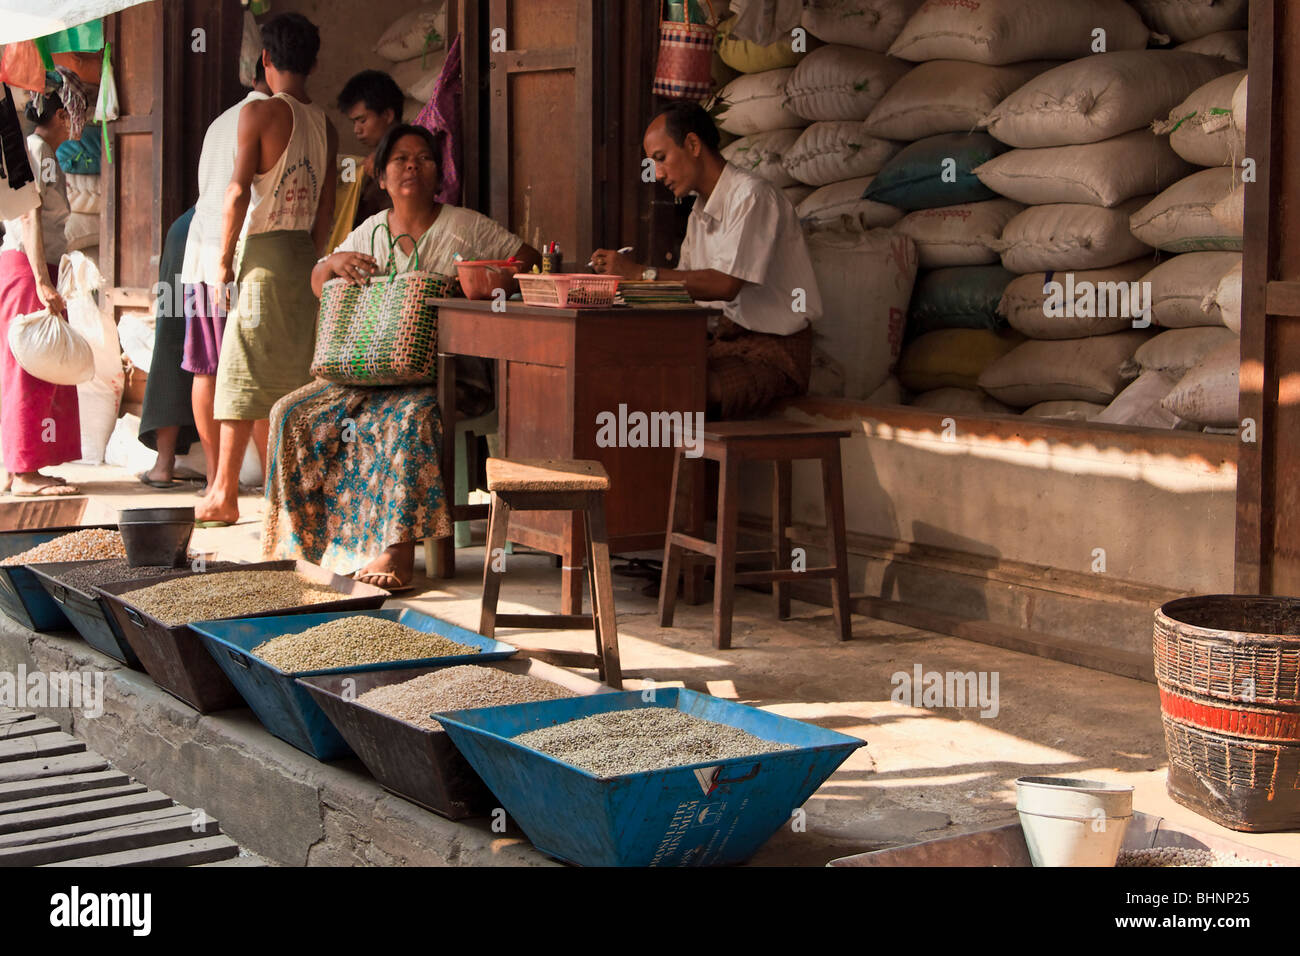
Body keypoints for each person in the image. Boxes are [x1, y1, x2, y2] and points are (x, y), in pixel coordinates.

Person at [263, 124, 541, 590]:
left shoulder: (465, 226)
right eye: (400, 160)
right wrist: (331, 265)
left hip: (447, 376)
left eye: (424, 158)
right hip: (365, 377)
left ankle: (397, 551)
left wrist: (483, 284)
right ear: (383, 177)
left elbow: (531, 262)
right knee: (289, 413)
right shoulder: (369, 231)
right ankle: (303, 547)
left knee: (407, 418)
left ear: (439, 174)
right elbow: (318, 281)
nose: (412, 166)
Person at [591, 100, 823, 420]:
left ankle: (676, 471)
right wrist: (619, 289)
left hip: (774, 356)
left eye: (661, 159)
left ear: (692, 144)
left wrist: (640, 273)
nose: (658, 174)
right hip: (724, 346)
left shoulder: (752, 196)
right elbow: (682, 292)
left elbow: (724, 284)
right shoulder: (699, 213)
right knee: (626, 373)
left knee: (675, 390)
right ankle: (653, 470)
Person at [198, 12, 338, 527]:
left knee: (240, 374)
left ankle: (223, 494)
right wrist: (312, 256)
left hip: (261, 259)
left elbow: (236, 191)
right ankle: (291, 496)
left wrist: (222, 262)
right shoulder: (326, 124)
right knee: (292, 380)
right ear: (314, 63)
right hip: (304, 258)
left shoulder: (259, 114)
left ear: (266, 58)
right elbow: (326, 207)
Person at [176, 58, 271, 493]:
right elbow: (241, 194)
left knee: (206, 368)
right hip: (235, 258)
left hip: (201, 254)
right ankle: (271, 483)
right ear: (268, 71)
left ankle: (217, 480)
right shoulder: (270, 118)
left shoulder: (217, 124)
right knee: (254, 371)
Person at [0, 92, 80, 496]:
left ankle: (17, 467)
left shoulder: (35, 149)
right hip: (28, 267)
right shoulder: (39, 151)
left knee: (27, 365)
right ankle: (25, 472)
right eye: (72, 117)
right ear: (62, 115)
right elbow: (29, 215)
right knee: (31, 367)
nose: (74, 125)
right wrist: (42, 282)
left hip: (27, 266)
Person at [137, 208, 201, 488]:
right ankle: (221, 477)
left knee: (174, 343)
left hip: (186, 229)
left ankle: (163, 466)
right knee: (213, 355)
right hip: (214, 233)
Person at [336, 69, 403, 226]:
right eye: (354, 122)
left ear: (387, 115)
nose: (356, 130)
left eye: (362, 120)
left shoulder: (405, 157)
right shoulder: (373, 159)